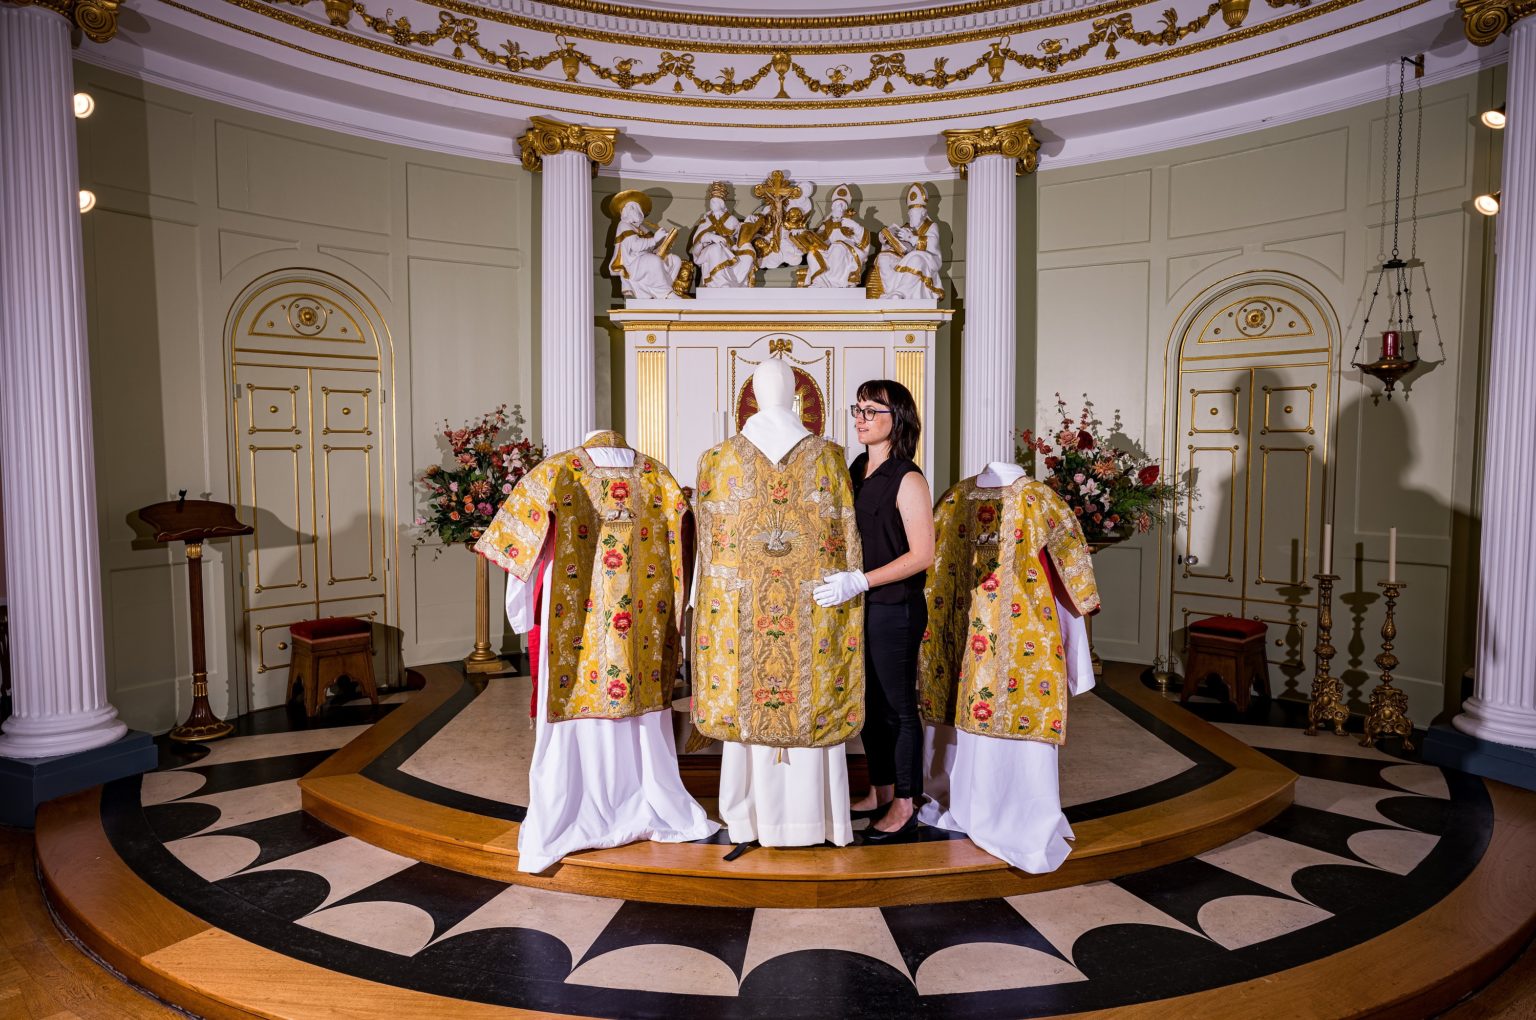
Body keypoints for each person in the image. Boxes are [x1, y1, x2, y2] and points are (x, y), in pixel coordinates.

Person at [475, 429, 717, 872]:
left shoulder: (557, 470)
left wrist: (519, 613)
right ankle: (649, 801)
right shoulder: (655, 474)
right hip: (644, 619)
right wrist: (678, 613)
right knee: (640, 712)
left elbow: (518, 552)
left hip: (576, 618)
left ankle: (575, 814)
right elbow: (686, 545)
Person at [692, 358, 865, 853]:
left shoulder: (717, 459)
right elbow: (847, 543)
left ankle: (747, 820)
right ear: (794, 395)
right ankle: (820, 821)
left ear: (753, 396)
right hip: (814, 609)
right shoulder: (830, 456)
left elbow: (712, 555)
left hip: (743, 615)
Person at [813, 379, 934, 844]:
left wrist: (861, 580)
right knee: (868, 705)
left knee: (898, 707)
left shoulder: (908, 478)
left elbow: (922, 554)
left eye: (871, 411)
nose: (860, 419)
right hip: (858, 605)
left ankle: (907, 802)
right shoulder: (858, 467)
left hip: (894, 607)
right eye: (857, 409)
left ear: (896, 420)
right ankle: (880, 789)